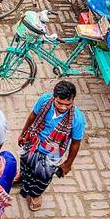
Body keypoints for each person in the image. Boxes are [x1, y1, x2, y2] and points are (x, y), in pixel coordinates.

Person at [16, 80, 85, 212]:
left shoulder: (78, 119)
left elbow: (75, 143)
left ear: (73, 101)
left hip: (54, 152)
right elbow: (32, 116)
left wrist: (68, 163)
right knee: (25, 162)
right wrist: (23, 134)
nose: (63, 107)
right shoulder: (44, 100)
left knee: (43, 176)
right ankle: (23, 177)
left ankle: (36, 195)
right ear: (53, 97)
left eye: (68, 104)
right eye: (59, 103)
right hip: (33, 141)